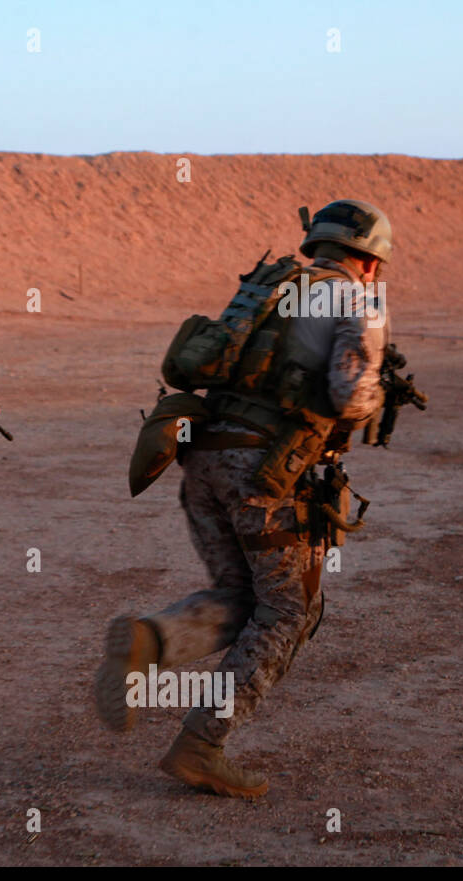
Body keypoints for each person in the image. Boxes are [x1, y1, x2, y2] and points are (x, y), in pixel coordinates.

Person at [95, 200, 393, 797]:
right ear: (369, 260)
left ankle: (150, 640)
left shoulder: (270, 283)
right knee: (290, 611)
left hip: (204, 459)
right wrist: (380, 396)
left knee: (244, 595)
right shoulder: (355, 298)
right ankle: (201, 746)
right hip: (266, 474)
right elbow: (350, 392)